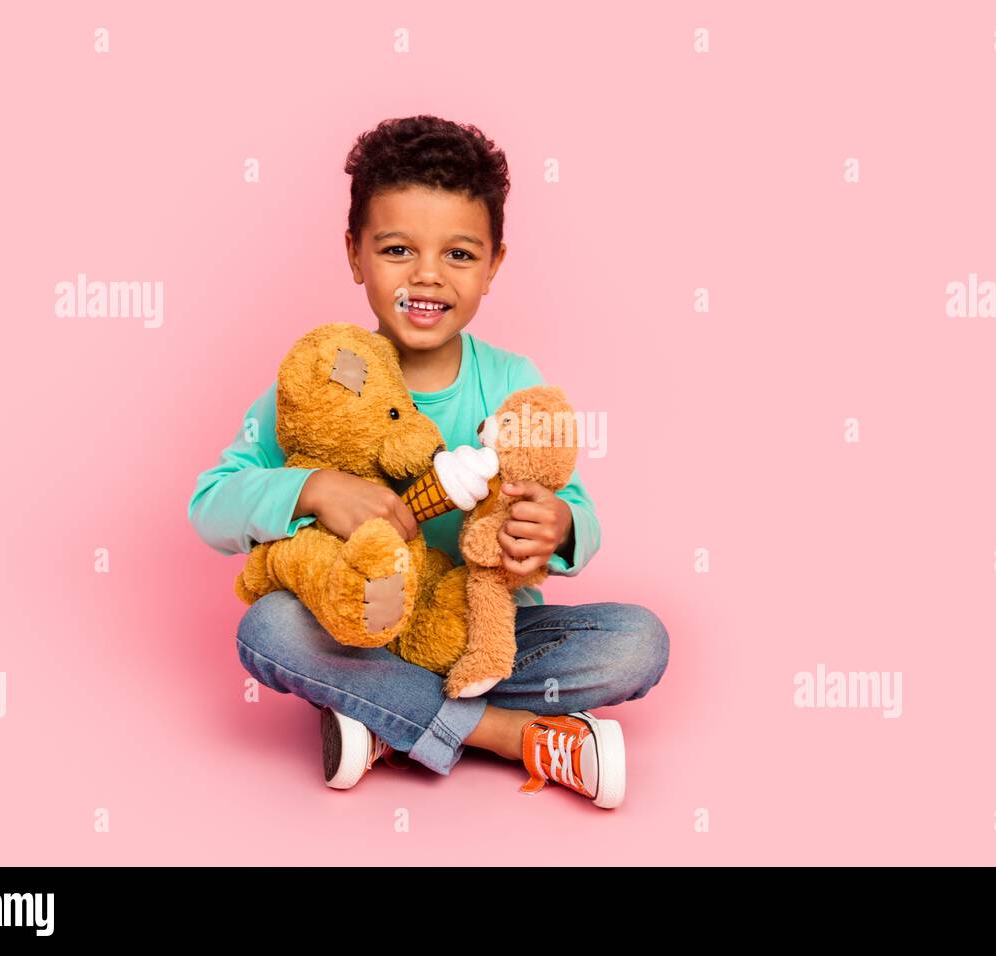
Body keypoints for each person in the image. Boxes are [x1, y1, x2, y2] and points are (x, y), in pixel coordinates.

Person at [188, 115, 669, 809]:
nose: (427, 276)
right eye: (396, 249)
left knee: (638, 642)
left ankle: (387, 721)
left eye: (460, 255)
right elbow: (212, 504)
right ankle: (507, 734)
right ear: (354, 254)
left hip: (483, 639)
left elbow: (581, 516)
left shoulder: (510, 381)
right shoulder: (323, 375)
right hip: (361, 634)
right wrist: (314, 489)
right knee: (269, 630)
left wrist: (557, 526)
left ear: (495, 264)